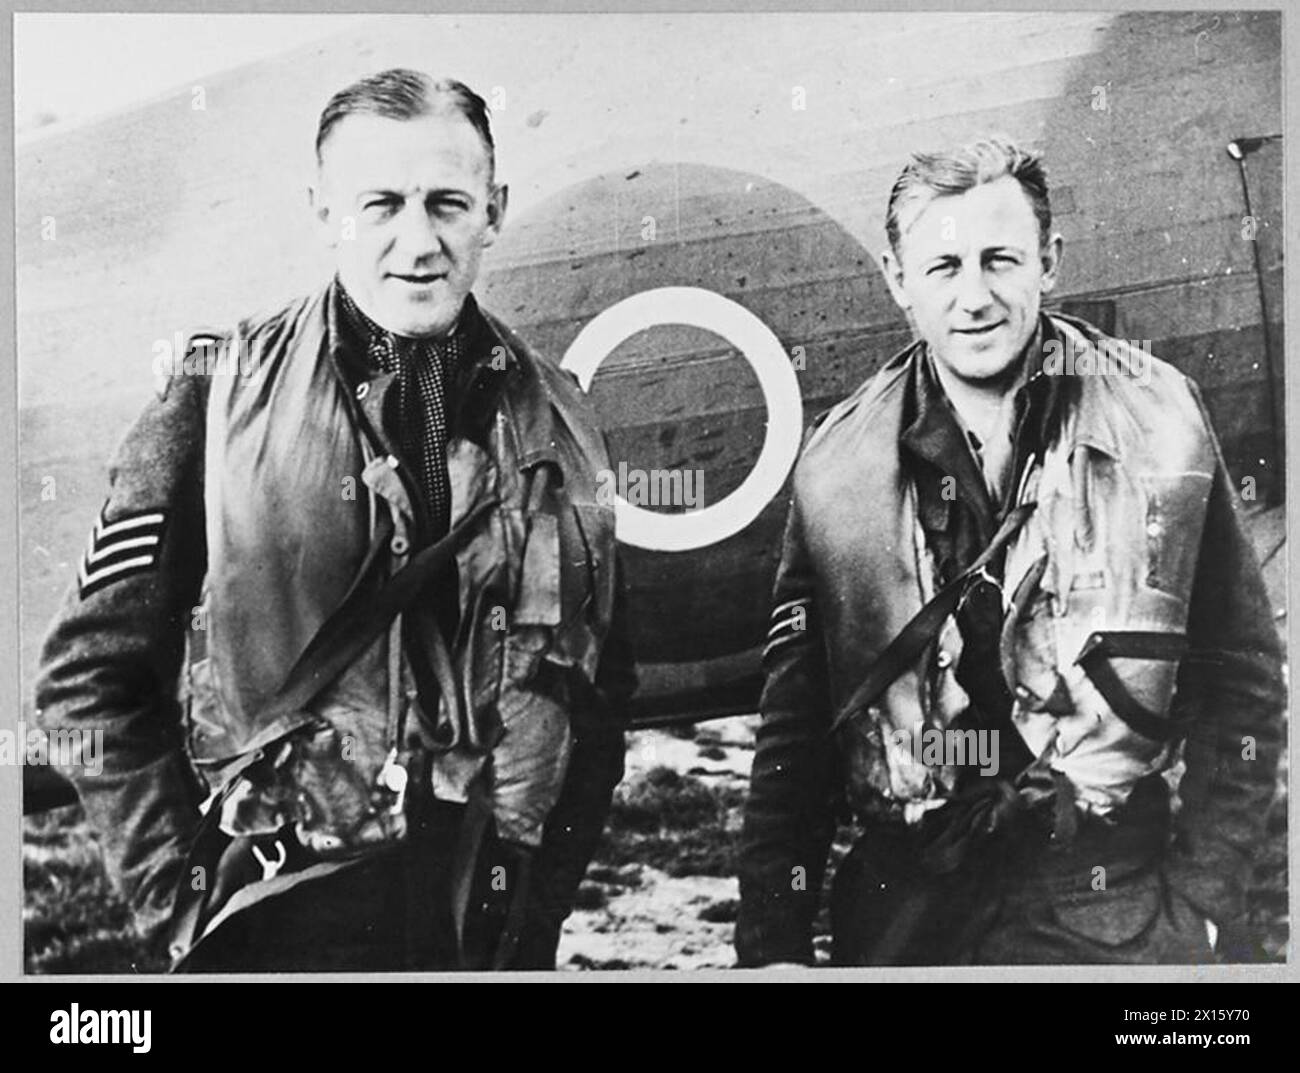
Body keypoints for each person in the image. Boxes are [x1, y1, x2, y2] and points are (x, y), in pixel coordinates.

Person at [35, 68, 634, 972]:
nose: (417, 241)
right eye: (380, 204)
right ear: (325, 214)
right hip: (281, 918)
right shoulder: (219, 395)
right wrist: (181, 899)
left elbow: (599, 688)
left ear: (495, 210)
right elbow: (87, 679)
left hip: (483, 927)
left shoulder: (564, 416)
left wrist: (538, 904)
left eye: (448, 203)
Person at [735, 136, 1284, 967]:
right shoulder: (837, 464)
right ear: (896, 279)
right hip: (909, 913)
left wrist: (1203, 904)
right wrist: (771, 943)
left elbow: (1242, 682)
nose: (975, 297)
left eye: (1001, 259)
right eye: (944, 266)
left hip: (1110, 906)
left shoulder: (1161, 418)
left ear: (1049, 261)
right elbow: (797, 731)